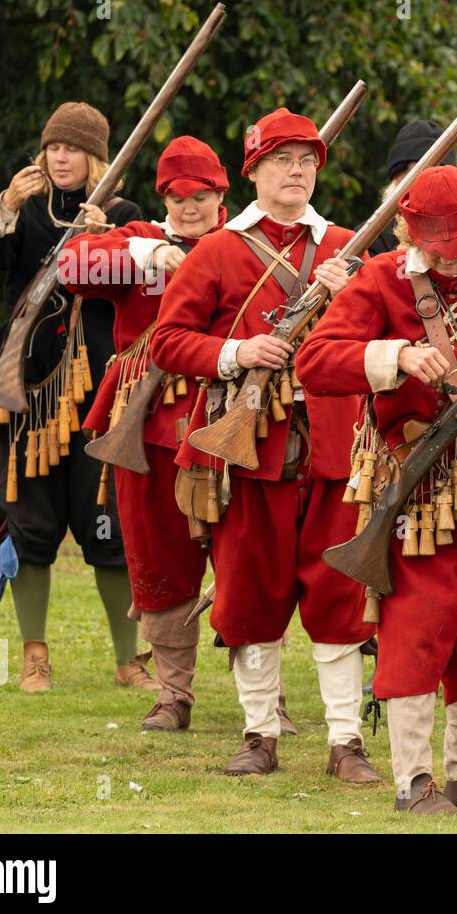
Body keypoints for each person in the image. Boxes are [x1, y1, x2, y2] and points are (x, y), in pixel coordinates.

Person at [296, 165, 457, 814]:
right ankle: (413, 781)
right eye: (435, 239)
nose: (447, 250)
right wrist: (395, 356)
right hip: (417, 487)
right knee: (417, 629)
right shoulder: (381, 278)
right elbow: (315, 362)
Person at [149, 108, 378, 780]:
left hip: (335, 447)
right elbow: (167, 342)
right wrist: (238, 350)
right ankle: (258, 736)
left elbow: (376, 343)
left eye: (307, 160)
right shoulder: (219, 251)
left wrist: (347, 292)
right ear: (253, 171)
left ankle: (345, 742)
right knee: (249, 595)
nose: (297, 171)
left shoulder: (346, 246)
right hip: (250, 448)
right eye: (282, 160)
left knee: (337, 595)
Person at [0, 101, 150, 692]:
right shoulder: (23, 210)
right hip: (25, 393)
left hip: (97, 394)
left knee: (109, 529)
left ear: (96, 157)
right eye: (53, 147)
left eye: (71, 148)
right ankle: (34, 656)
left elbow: (139, 287)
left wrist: (107, 241)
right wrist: (6, 209)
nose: (59, 156)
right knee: (28, 524)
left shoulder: (124, 214)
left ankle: (129, 661)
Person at [58, 135, 228, 730]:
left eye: (200, 196)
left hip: (235, 418)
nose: (188, 207)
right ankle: (173, 695)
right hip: (148, 420)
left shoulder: (246, 245)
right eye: (177, 197)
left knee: (248, 555)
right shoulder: (142, 243)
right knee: (157, 551)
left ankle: (268, 704)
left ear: (220, 196)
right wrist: (146, 257)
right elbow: (70, 265)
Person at [368, 120, 457, 256]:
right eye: (411, 174)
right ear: (396, 179)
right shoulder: (371, 236)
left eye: (433, 172)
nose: (423, 184)